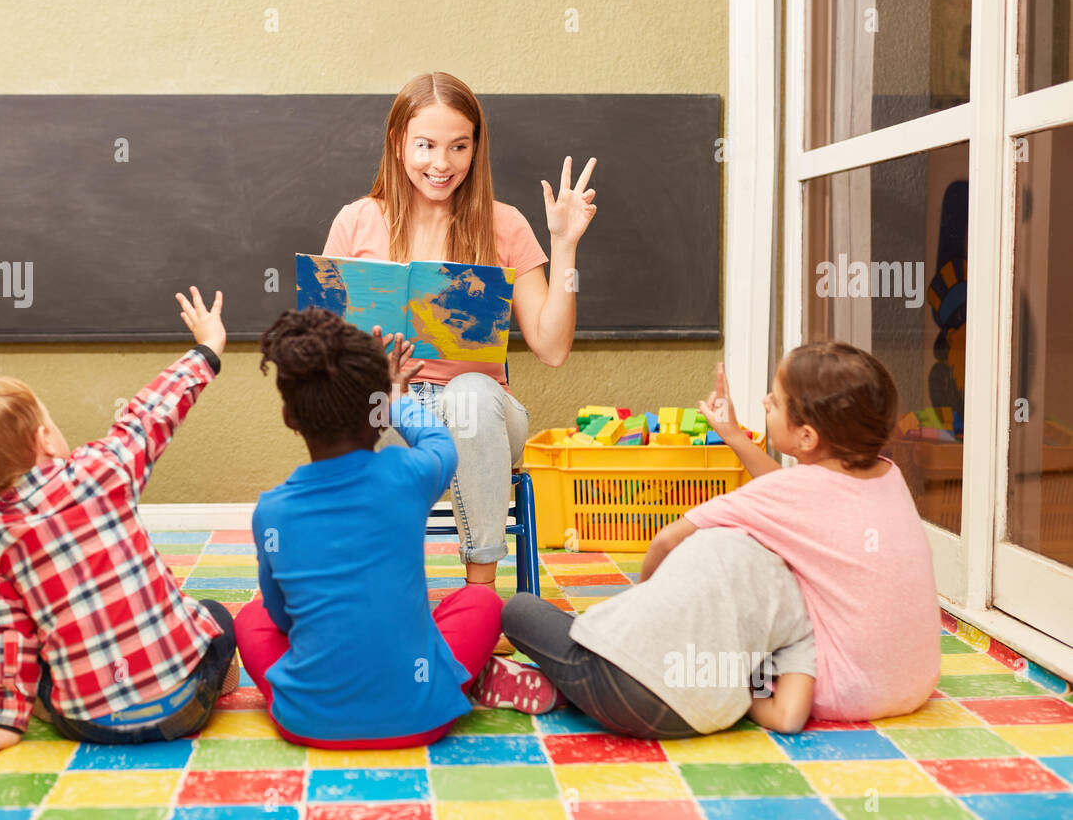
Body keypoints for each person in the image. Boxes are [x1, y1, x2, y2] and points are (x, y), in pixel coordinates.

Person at [475, 342, 941, 735]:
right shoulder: (886, 476)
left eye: (775, 402)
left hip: (842, 688)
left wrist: (648, 609)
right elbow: (797, 494)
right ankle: (578, 689)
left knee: (519, 611)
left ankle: (569, 685)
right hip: (913, 680)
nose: (763, 401)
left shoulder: (791, 497)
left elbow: (664, 542)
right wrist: (735, 437)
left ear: (806, 436)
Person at [321, 71, 598, 598]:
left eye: (458, 147)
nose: (441, 163)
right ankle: (369, 595)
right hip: (390, 409)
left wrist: (564, 246)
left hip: (483, 416)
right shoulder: (356, 221)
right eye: (424, 145)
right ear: (398, 143)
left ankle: (479, 598)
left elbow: (553, 347)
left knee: (469, 396)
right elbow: (325, 348)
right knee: (357, 412)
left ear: (476, 148)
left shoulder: (506, 224)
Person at [0, 287, 237, 755]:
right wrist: (207, 347)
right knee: (215, 615)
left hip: (89, 725)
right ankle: (207, 678)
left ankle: (51, 702)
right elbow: (153, 411)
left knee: (42, 655)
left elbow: (9, 632)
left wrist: (8, 721)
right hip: (182, 709)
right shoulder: (101, 469)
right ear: (45, 439)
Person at [234, 307, 503, 748]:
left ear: (289, 417)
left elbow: (282, 618)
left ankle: (325, 686)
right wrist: (397, 400)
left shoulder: (272, 511)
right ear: (376, 413)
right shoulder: (408, 475)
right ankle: (461, 680)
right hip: (422, 714)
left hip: (308, 721)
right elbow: (440, 443)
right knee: (482, 602)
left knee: (251, 617)